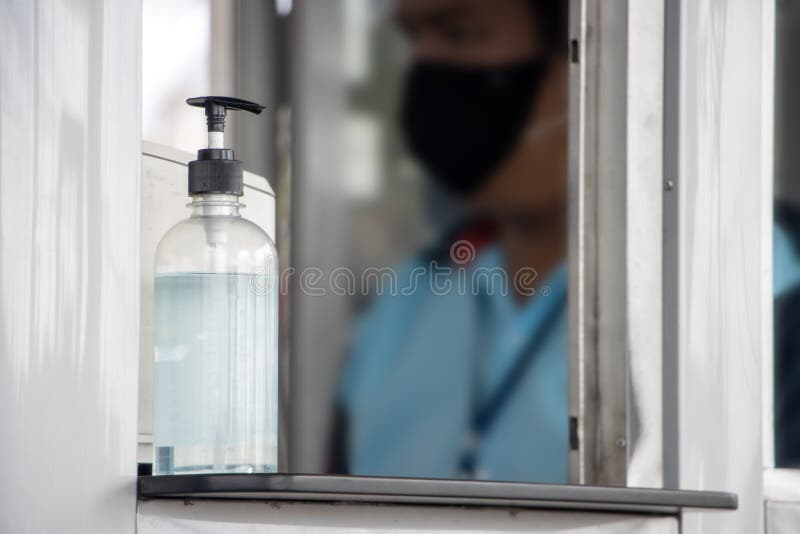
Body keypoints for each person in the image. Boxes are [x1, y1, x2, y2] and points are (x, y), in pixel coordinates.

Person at [330, 0, 570, 482]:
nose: (424, 70)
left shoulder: (689, 319)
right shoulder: (406, 302)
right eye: (413, 39)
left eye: (460, 34)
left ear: (582, 67)